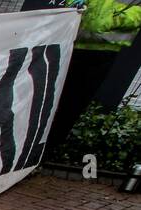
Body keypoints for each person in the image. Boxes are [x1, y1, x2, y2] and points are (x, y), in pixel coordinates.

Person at [45, 0, 141, 153]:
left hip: (103, 51)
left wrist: (113, 19)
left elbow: (137, 15)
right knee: (49, 97)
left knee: (71, 106)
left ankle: (46, 151)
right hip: (73, 45)